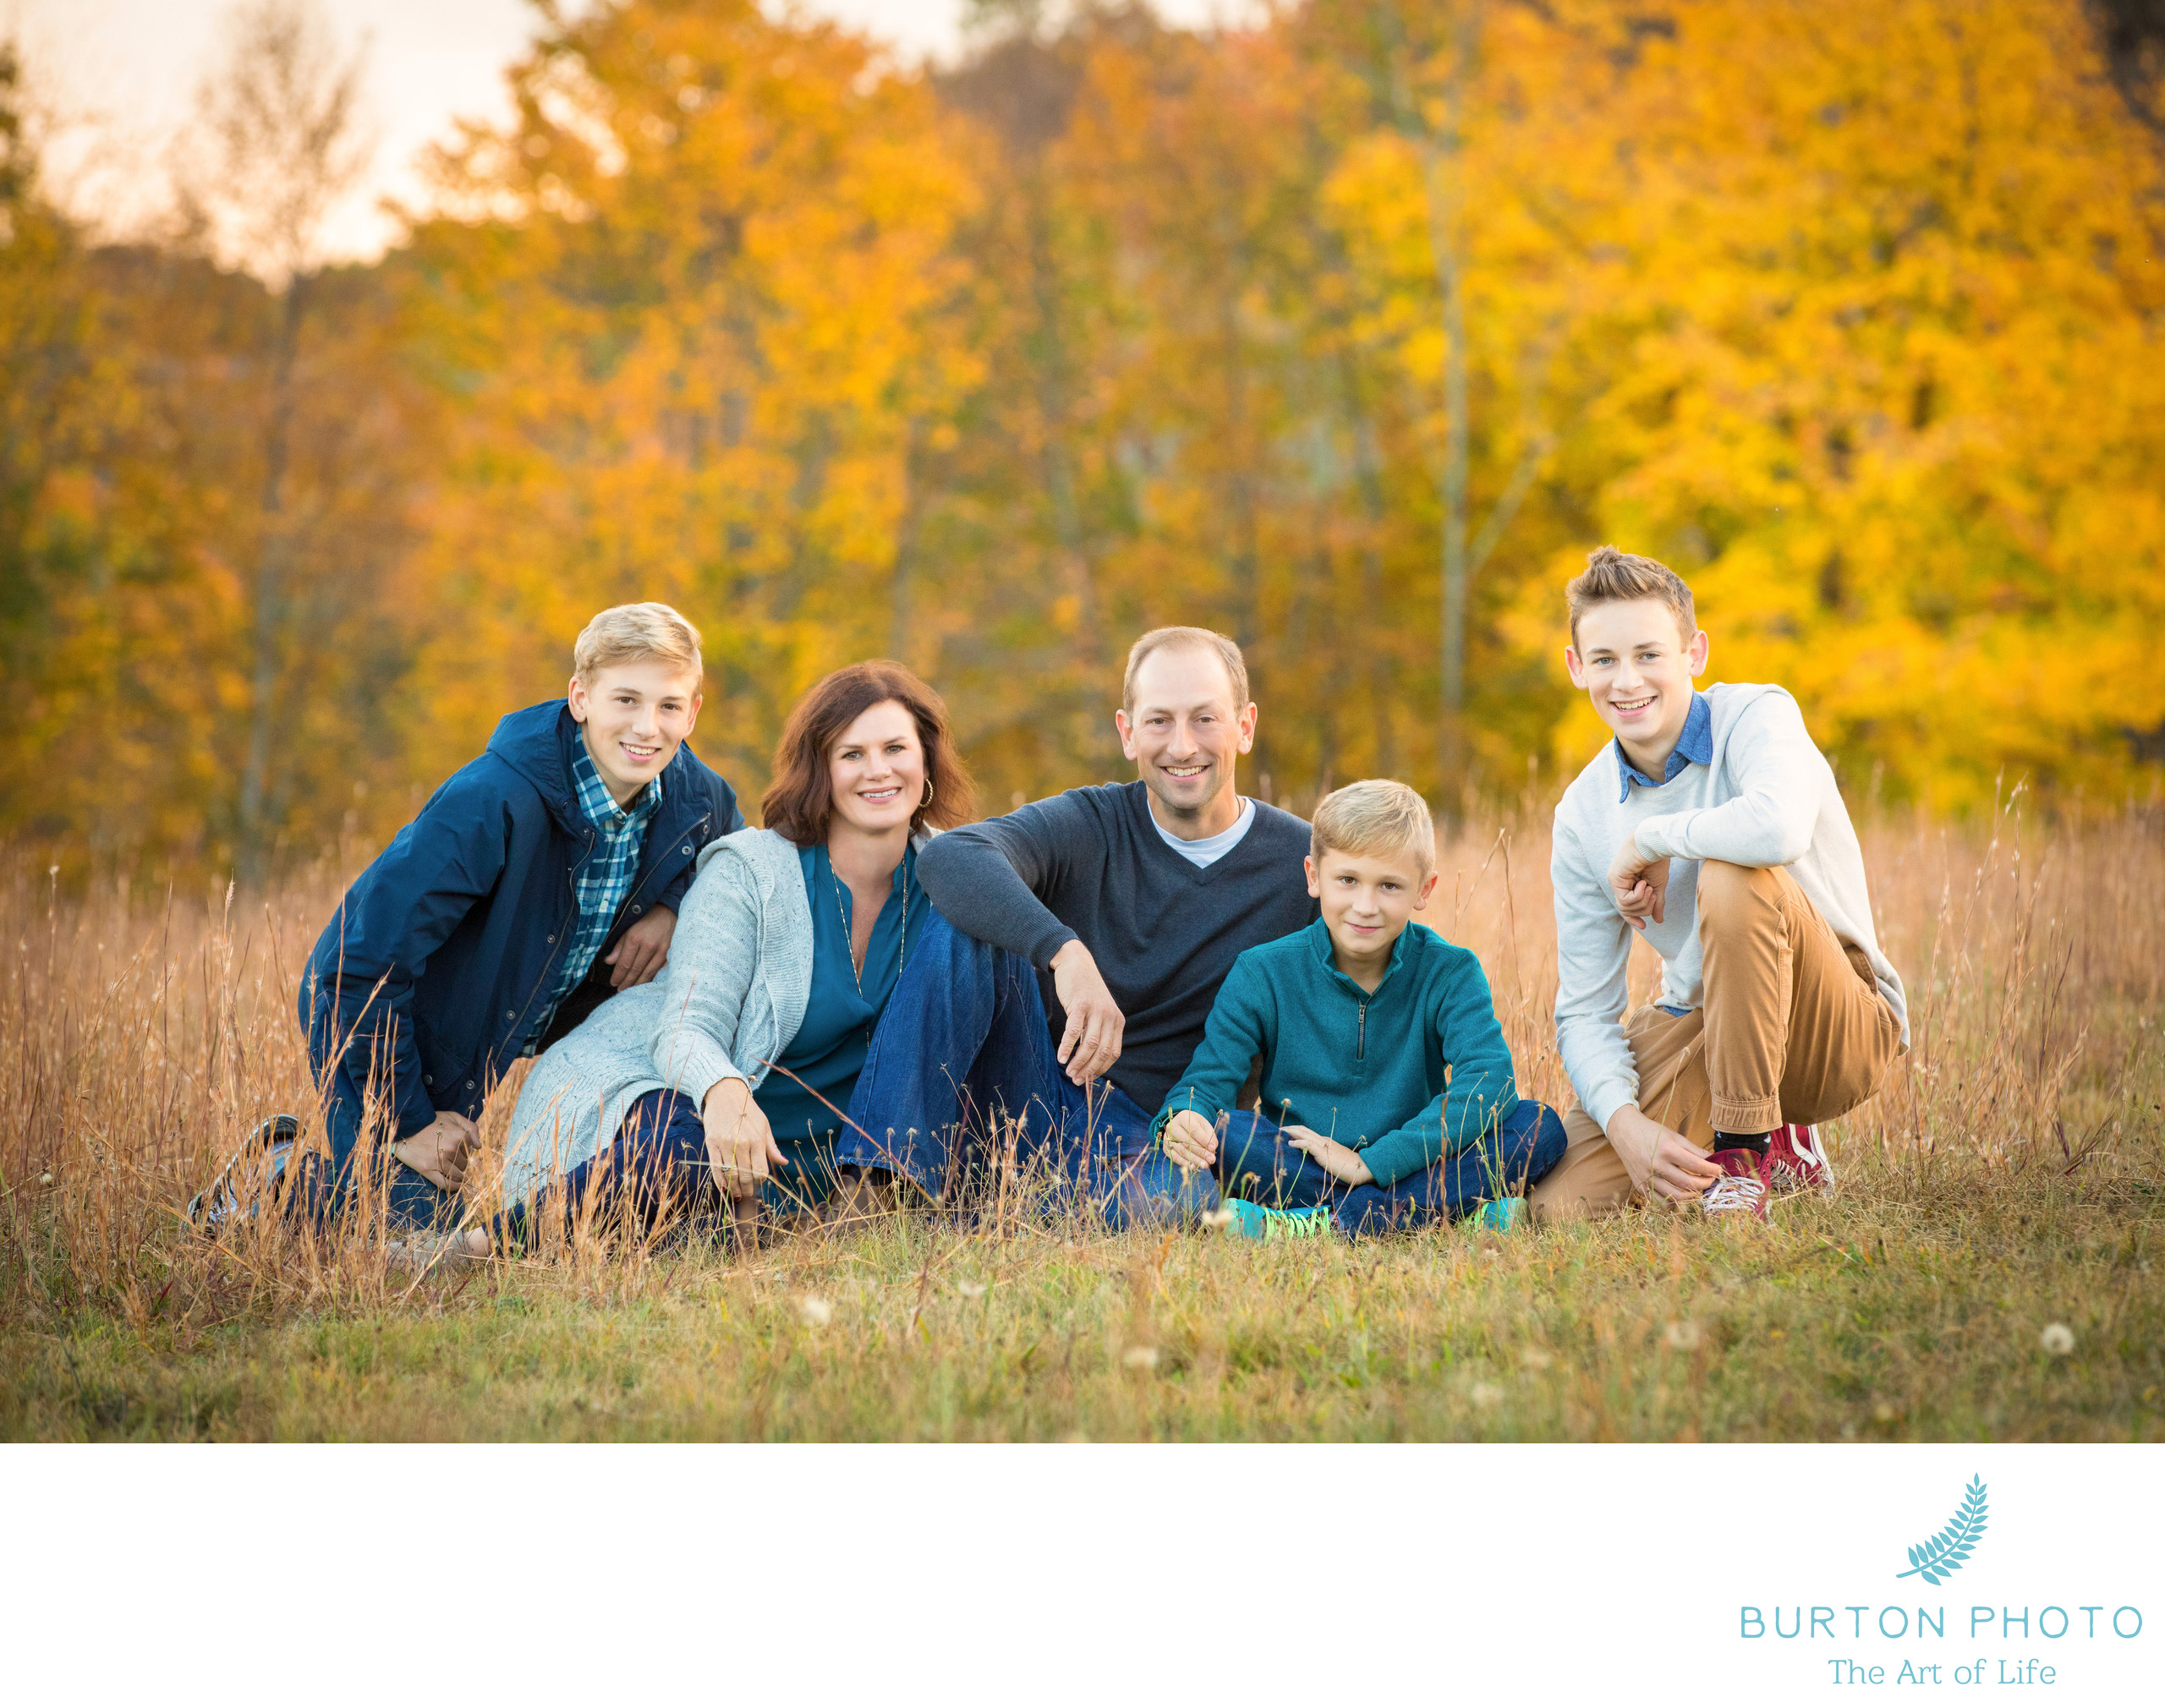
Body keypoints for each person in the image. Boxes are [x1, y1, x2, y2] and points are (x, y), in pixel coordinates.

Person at [193, 604, 742, 1235]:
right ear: (581, 698)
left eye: (669, 706)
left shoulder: (698, 799)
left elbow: (738, 870)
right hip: (388, 1018)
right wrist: (408, 1122)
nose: (647, 727)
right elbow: (357, 964)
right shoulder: (492, 800)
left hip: (511, 1023)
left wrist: (674, 904)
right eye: (626, 700)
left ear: (692, 714)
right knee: (412, 1244)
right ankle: (279, 1176)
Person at [481, 660, 976, 1251]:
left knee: (698, 1237)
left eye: (895, 748)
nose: (878, 770)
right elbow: (686, 1028)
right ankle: (478, 1250)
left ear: (926, 763)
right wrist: (723, 1090)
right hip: (677, 1097)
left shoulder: (958, 877)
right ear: (820, 772)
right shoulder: (751, 871)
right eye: (851, 754)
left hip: (822, 1171)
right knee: (680, 1151)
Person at [838, 626, 1318, 1227]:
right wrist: (1064, 952)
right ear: (1127, 732)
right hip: (1032, 1095)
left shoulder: (1303, 864)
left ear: (1245, 727)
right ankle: (879, 1183)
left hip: (1160, 1137)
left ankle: (985, 1213)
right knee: (970, 924)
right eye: (1159, 721)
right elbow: (951, 856)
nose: (1182, 745)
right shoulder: (1091, 822)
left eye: (1205, 719)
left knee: (1179, 1206)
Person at [1532, 545, 1909, 1223]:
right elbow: (1585, 1012)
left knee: (1734, 876)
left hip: (1835, 1022)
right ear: (1576, 667)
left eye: (1650, 654)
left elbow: (1778, 830)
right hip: (1705, 1022)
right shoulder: (1582, 813)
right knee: (1561, 1205)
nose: (1627, 681)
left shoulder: (1757, 715)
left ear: (1694, 653)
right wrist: (1625, 1125)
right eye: (1605, 660)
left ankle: (1745, 1152)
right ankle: (1768, 1139)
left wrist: (1652, 839)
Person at [1153, 780, 1566, 1237]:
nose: (1365, 906)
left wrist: (1370, 1163)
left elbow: (1490, 1081)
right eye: (1347, 880)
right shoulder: (1262, 972)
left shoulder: (1450, 971)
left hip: (1411, 1160)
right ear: (1314, 876)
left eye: (1389, 885)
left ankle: (1323, 1226)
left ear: (1423, 889)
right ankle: (1441, 1216)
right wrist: (1184, 1115)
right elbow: (1207, 1081)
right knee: (1227, 1133)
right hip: (1300, 1165)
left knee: (1538, 1126)